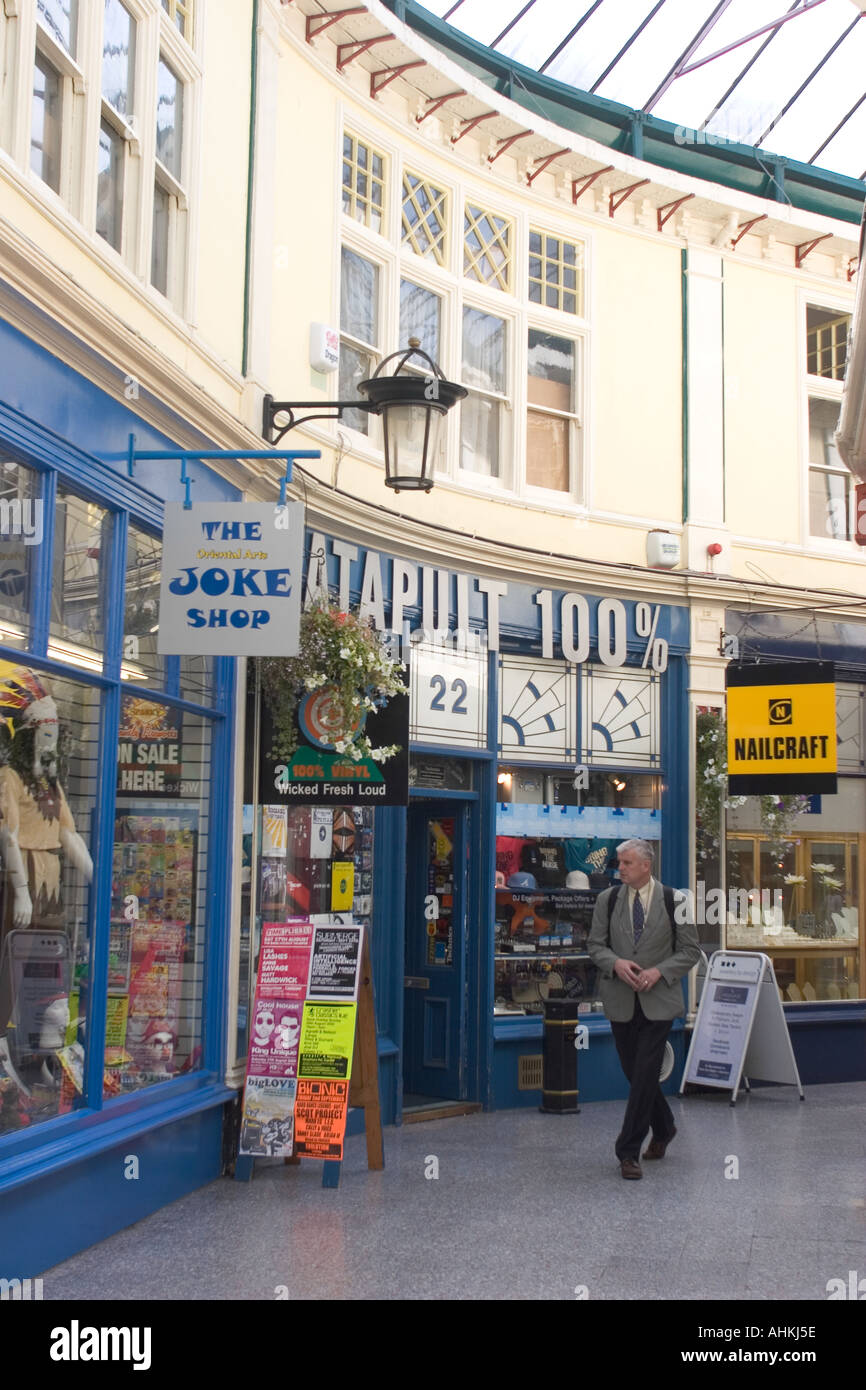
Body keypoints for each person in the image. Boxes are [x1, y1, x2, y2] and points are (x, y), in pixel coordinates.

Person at [587, 838, 699, 1180]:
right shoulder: (607, 900)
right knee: (635, 1074)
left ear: (646, 866)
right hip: (621, 999)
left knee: (646, 1071)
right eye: (620, 863)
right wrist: (616, 963)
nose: (619, 868)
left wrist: (658, 972)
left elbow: (690, 951)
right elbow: (595, 946)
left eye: (626, 863)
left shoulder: (675, 900)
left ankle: (628, 1151)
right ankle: (664, 1127)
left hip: (659, 1001)